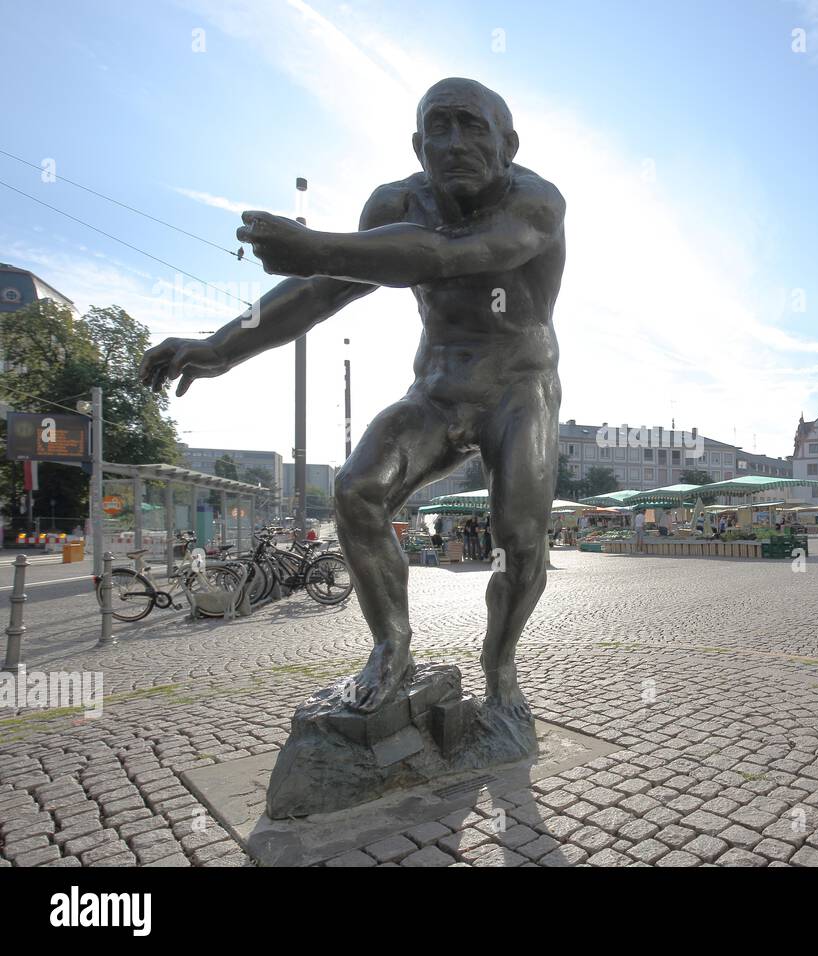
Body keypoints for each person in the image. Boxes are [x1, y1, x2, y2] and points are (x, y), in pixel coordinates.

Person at [143, 79, 566, 719]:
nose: (456, 144)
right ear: (417, 144)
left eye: (473, 127)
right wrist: (221, 347)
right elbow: (322, 290)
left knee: (522, 540)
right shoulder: (397, 204)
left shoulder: (535, 202)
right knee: (356, 489)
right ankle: (391, 645)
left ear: (507, 143)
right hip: (439, 390)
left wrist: (318, 247)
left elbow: (453, 255)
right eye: (440, 128)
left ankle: (500, 663)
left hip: (520, 388)